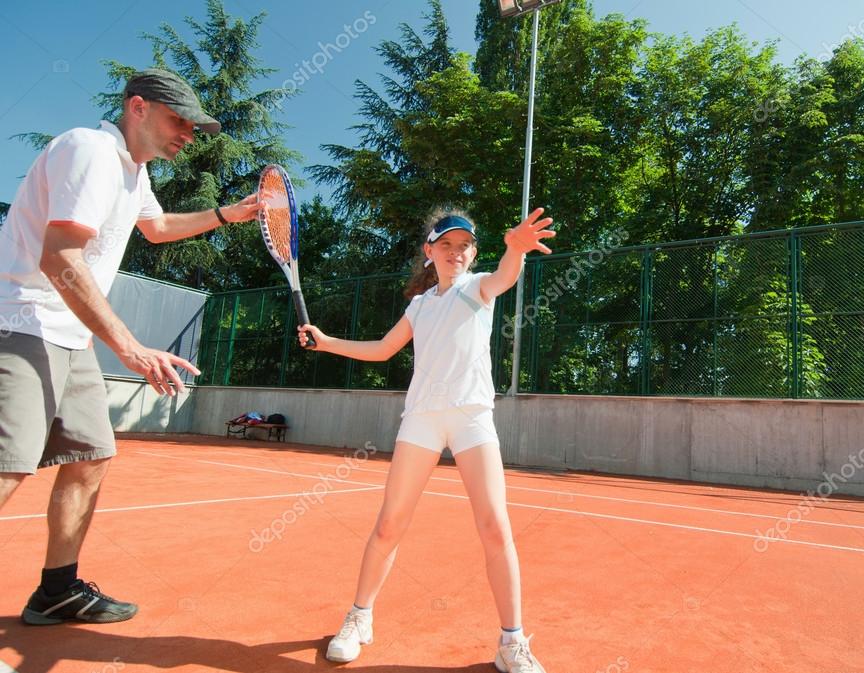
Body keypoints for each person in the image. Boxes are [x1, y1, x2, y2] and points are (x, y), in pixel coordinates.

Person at [0, 68, 263, 625]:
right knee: (8, 468)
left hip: (68, 334)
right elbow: (60, 258)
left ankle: (58, 591)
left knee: (91, 456)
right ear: (137, 107)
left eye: (194, 127)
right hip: (22, 325)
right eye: (179, 121)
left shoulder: (134, 173)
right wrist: (131, 347)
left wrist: (226, 214)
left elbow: (158, 226)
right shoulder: (90, 151)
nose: (188, 135)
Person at [298, 207, 555, 672]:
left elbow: (505, 275)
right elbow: (381, 349)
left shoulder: (478, 288)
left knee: (495, 526)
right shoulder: (419, 306)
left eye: (464, 246)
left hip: (472, 418)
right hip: (421, 419)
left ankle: (511, 642)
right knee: (389, 524)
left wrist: (515, 249)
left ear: (473, 253)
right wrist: (328, 341)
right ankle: (360, 617)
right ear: (429, 252)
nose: (456, 253)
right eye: (447, 245)